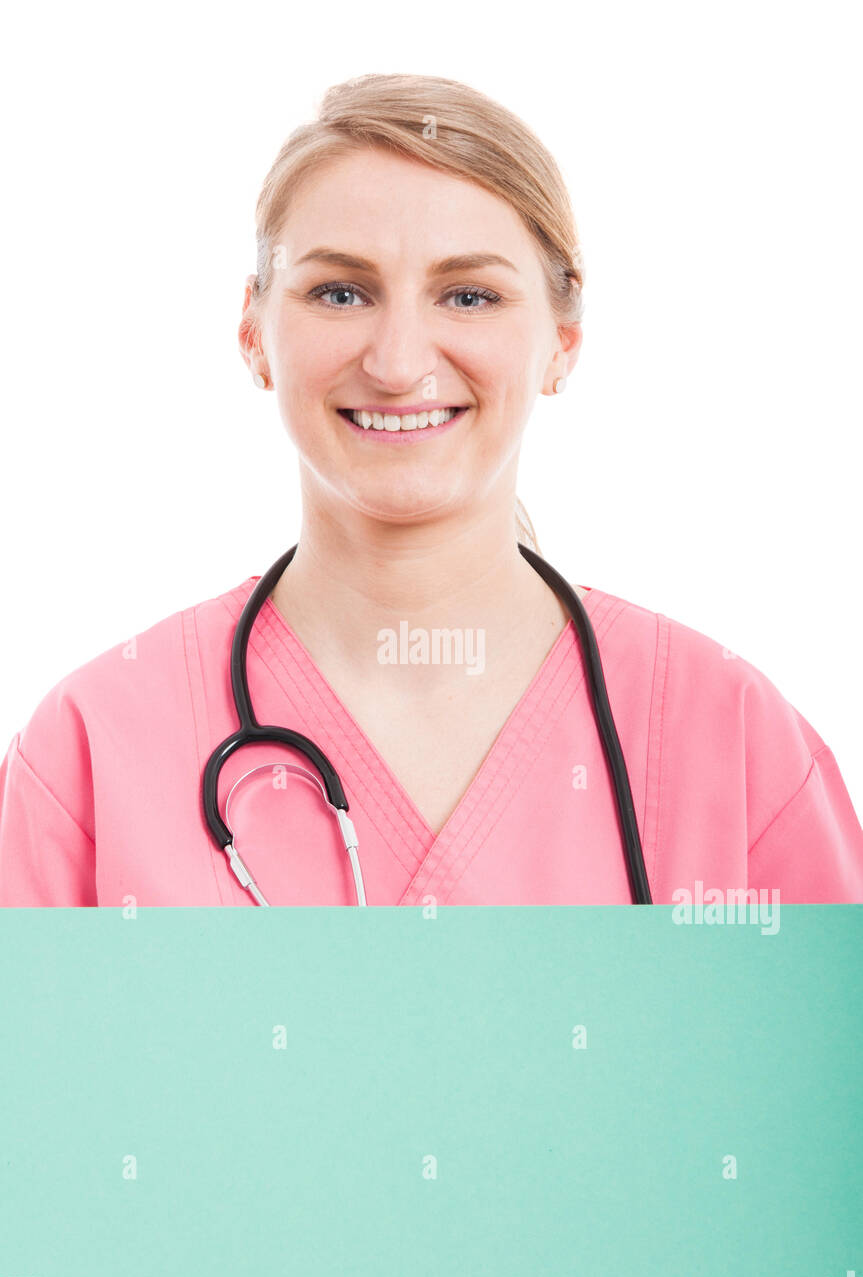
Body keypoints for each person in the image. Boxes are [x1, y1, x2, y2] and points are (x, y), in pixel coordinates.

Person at [1, 72, 862, 908]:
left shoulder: (732, 739)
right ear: (253, 333)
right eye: (340, 292)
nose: (398, 360)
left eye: (468, 294)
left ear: (562, 342)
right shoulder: (94, 746)